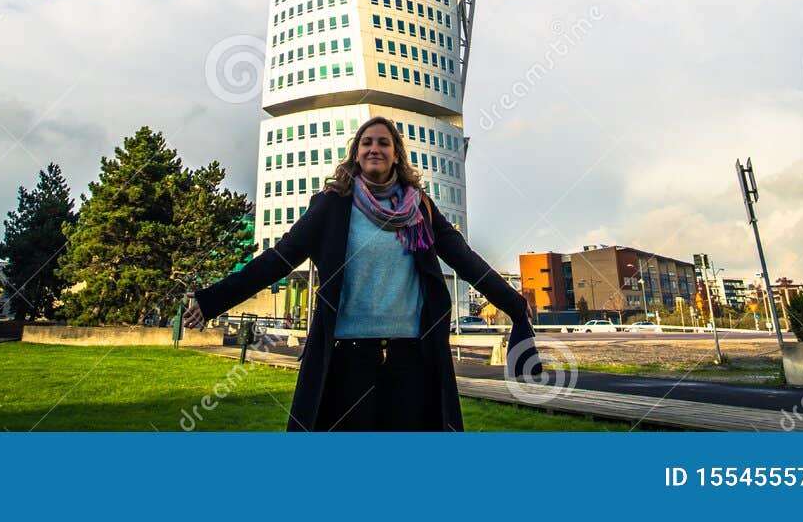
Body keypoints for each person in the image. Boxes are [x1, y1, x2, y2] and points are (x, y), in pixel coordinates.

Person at [183, 115, 540, 431]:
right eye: (366, 143)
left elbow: (466, 260)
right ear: (356, 154)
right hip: (347, 359)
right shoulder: (331, 206)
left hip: (411, 361)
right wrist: (212, 299)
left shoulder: (420, 209)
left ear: (396, 154)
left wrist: (512, 304)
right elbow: (278, 259)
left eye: (383, 143)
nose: (375, 149)